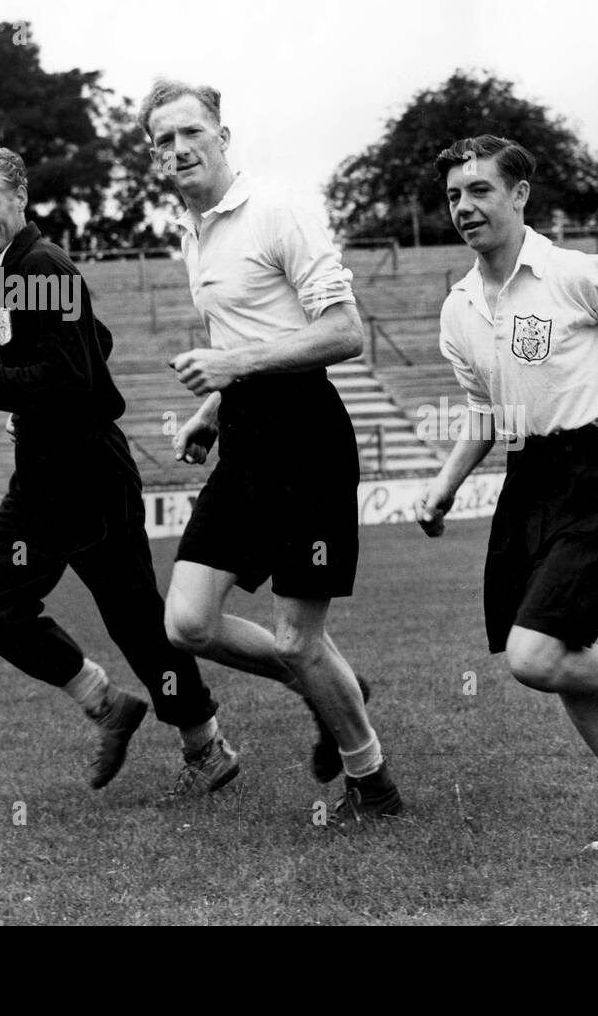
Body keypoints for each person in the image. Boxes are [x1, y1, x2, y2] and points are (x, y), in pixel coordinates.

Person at [418, 135, 598, 851]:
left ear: (519, 195)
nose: (464, 206)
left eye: (480, 190)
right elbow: (488, 412)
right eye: (454, 194)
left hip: (595, 473)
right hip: (527, 478)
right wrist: (444, 488)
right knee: (559, 649)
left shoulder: (574, 273)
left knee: (536, 653)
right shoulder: (459, 308)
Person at [0, 145, 238, 797]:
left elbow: (74, 375)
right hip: (77, 463)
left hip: (69, 475)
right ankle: (204, 745)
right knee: (133, 617)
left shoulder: (39, 267)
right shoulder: (12, 268)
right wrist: (27, 403)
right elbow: (96, 344)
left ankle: (108, 703)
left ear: (19, 198)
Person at [137, 80, 401, 825]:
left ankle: (370, 779)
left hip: (307, 436)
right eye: (164, 140)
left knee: (296, 636)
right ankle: (328, 683)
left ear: (223, 134)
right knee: (186, 622)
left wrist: (231, 370)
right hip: (246, 433)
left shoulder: (276, 210)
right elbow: (245, 340)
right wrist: (212, 410)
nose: (180, 149)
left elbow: (345, 333)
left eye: (191, 132)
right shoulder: (193, 231)